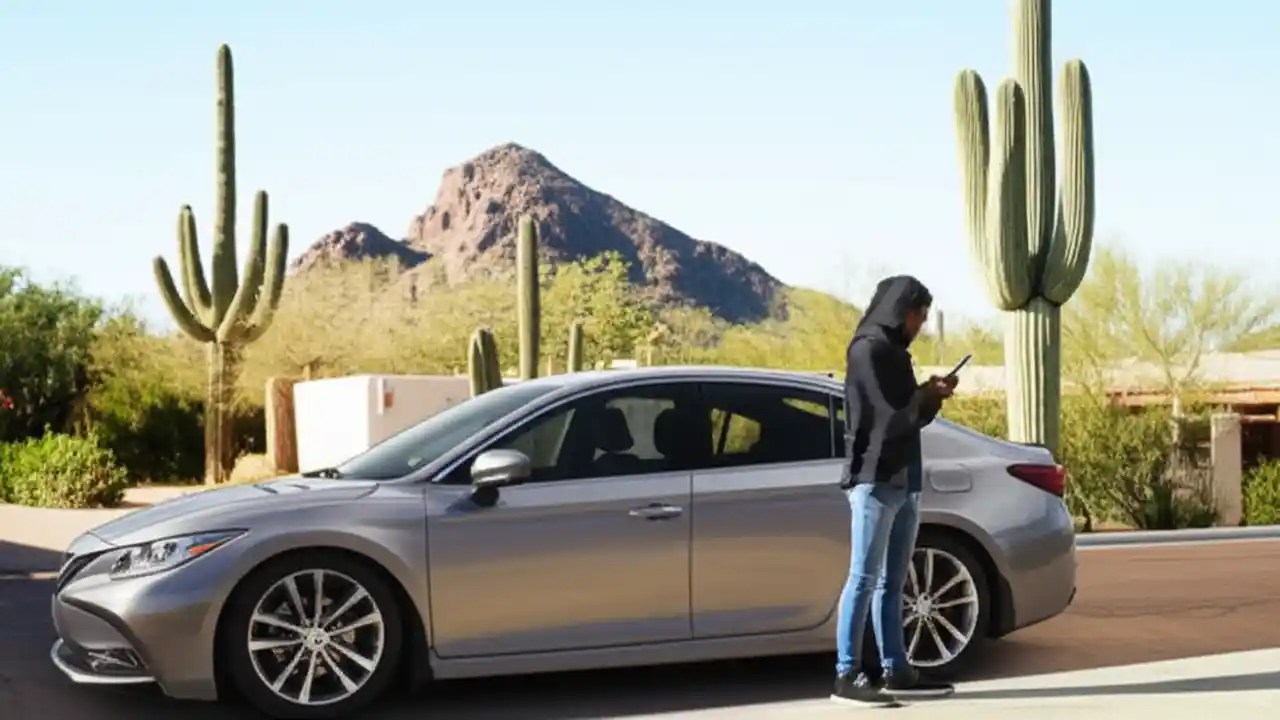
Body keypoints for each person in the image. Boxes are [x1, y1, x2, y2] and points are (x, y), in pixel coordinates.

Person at [831, 275, 958, 705]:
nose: (920, 324)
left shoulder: (894, 356)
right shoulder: (867, 350)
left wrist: (930, 395)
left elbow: (908, 418)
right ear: (900, 310)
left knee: (894, 582)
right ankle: (846, 674)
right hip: (874, 479)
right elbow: (887, 419)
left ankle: (896, 671)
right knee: (863, 579)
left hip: (905, 481)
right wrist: (925, 396)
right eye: (917, 315)